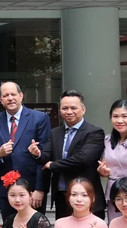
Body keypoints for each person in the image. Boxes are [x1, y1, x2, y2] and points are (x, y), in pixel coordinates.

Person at [0, 82, 51, 219]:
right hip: (5, 189)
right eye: (6, 95)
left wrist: (40, 189)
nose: (10, 98)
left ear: (21, 96)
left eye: (13, 94)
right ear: (0, 99)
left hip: (31, 187)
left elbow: (45, 156)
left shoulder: (39, 118)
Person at [37, 91, 105, 219]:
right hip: (62, 197)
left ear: (83, 109)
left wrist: (53, 165)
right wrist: (37, 154)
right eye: (64, 108)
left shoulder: (94, 132)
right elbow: (45, 156)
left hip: (86, 196)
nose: (69, 111)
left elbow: (82, 159)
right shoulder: (55, 132)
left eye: (73, 108)